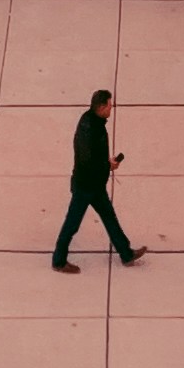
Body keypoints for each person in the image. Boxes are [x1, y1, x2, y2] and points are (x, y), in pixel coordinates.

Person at [52, 85, 142, 270]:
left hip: (95, 185)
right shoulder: (89, 128)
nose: (111, 109)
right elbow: (86, 161)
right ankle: (58, 261)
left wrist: (105, 162)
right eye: (109, 106)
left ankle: (126, 253)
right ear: (100, 107)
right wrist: (108, 165)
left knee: (110, 218)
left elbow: (92, 156)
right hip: (85, 187)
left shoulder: (92, 121)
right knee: (72, 225)